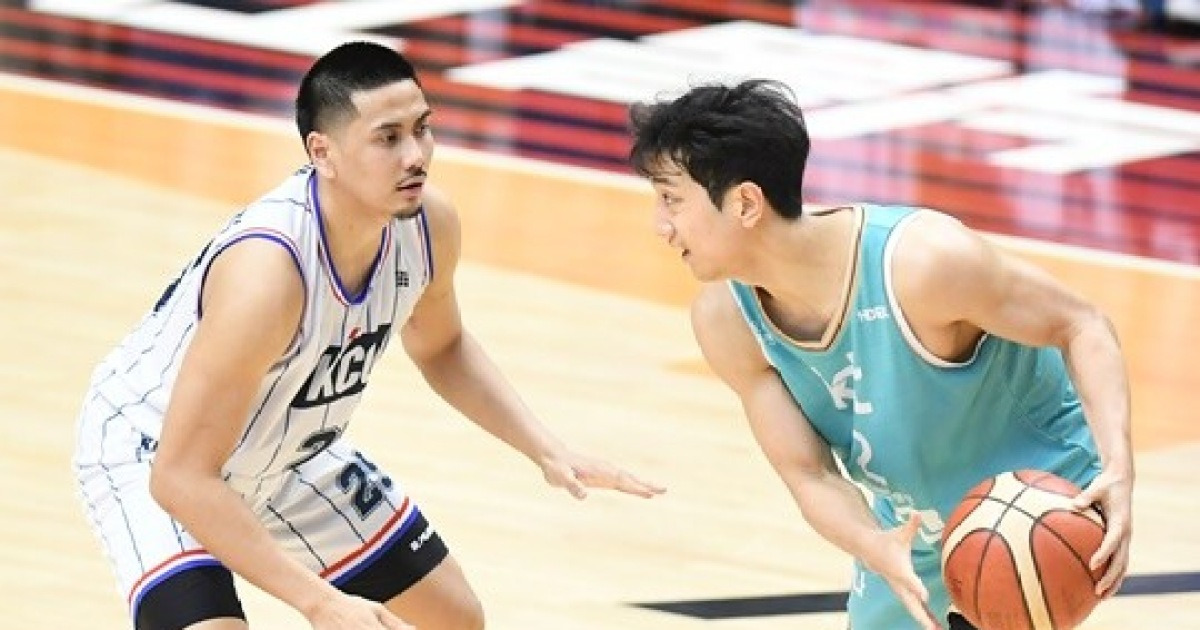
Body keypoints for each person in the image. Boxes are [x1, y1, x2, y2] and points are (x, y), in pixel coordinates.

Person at [73, 41, 664, 630]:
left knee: (453, 620)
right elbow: (181, 476)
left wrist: (545, 446)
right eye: (388, 138)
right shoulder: (268, 275)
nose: (416, 156)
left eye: (423, 129)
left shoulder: (428, 222)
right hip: (154, 449)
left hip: (289, 448)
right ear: (322, 153)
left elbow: (442, 346)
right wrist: (319, 600)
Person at [627, 79, 1132, 630]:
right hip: (913, 525)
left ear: (746, 202)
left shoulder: (923, 263)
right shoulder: (725, 320)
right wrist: (874, 544)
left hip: (1036, 500)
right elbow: (809, 474)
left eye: (671, 199)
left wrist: (1118, 469)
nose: (659, 226)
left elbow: (1082, 325)